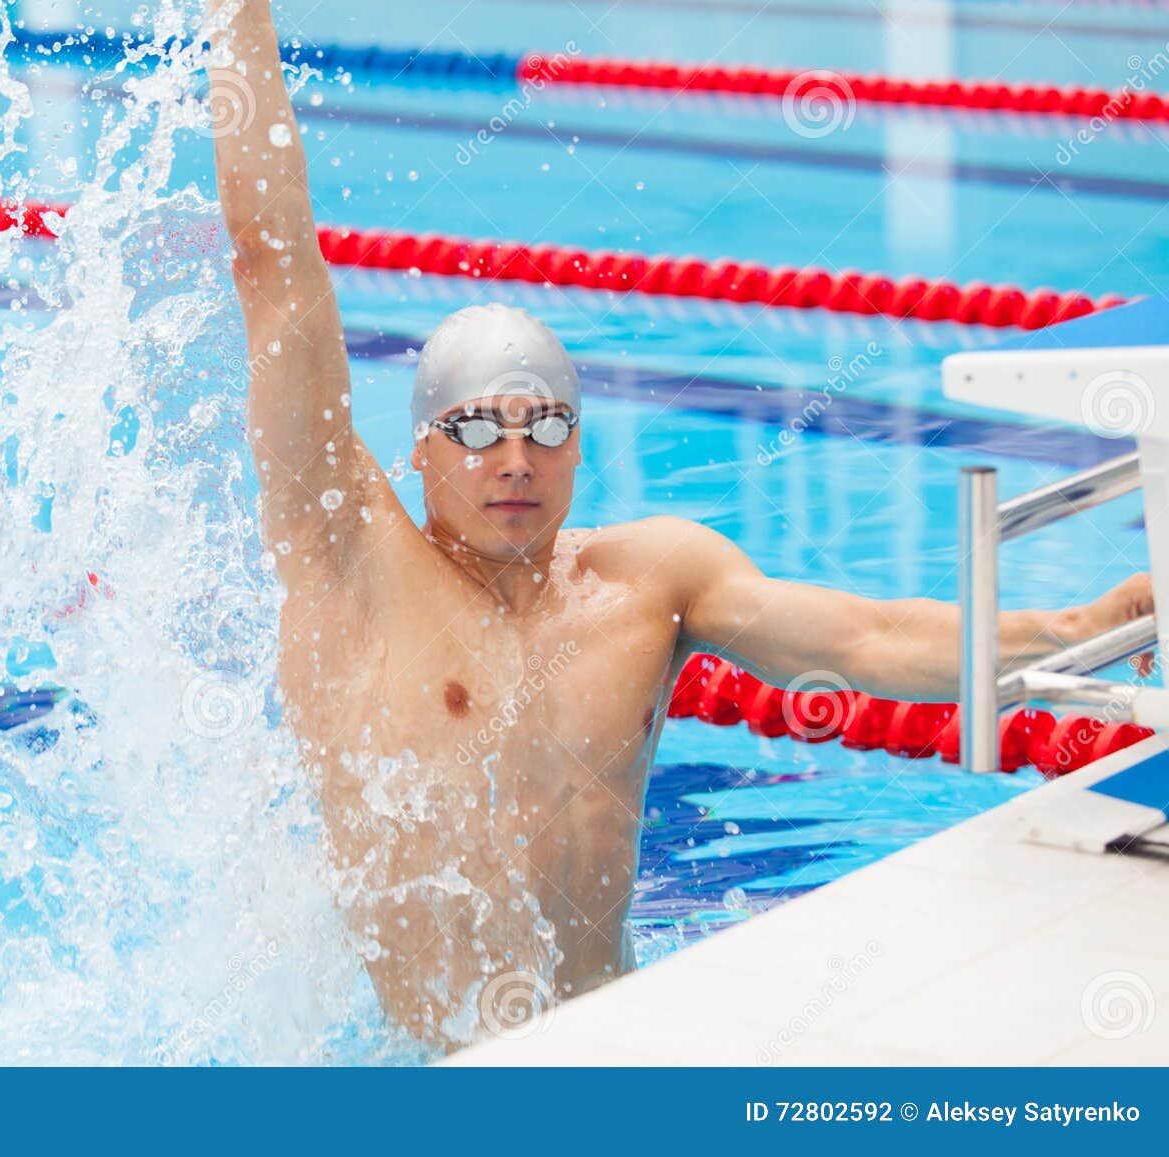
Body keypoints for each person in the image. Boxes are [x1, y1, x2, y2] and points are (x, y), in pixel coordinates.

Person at [205, 0, 1155, 1048]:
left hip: (625, 1045)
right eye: (476, 428)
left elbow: (863, 641)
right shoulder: (354, 564)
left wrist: (1086, 622)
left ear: (580, 448)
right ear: (419, 450)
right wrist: (235, 15)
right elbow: (274, 274)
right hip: (449, 1072)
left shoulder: (648, 580)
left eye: (545, 425)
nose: (513, 457)